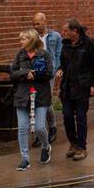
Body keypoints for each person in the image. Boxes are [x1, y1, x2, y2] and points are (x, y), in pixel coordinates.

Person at [55, 19, 94, 161]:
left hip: (82, 88)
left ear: (74, 31)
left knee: (81, 118)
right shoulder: (65, 46)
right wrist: (60, 70)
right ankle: (73, 144)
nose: (62, 33)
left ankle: (82, 148)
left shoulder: (88, 44)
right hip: (67, 88)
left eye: (65, 31)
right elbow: (63, 64)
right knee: (67, 117)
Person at [10, 28, 53, 171]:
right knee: (22, 128)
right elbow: (12, 73)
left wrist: (36, 74)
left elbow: (49, 73)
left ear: (32, 40)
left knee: (40, 127)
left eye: (23, 39)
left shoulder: (44, 55)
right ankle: (25, 159)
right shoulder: (19, 55)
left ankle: (46, 146)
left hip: (40, 95)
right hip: (22, 95)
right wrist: (25, 73)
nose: (20, 41)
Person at [33, 12, 61, 143]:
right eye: (34, 24)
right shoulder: (32, 37)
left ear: (44, 21)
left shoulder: (55, 36)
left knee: (46, 101)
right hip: (35, 72)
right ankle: (40, 132)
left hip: (49, 73)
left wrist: (59, 69)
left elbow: (58, 54)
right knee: (36, 101)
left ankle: (52, 127)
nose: (35, 26)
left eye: (38, 23)